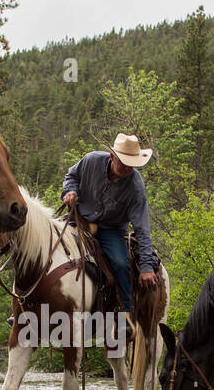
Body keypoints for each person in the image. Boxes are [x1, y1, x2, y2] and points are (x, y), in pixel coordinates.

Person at [60, 134, 158, 314]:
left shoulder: (135, 188)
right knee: (47, 243)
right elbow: (71, 175)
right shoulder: (91, 161)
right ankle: (26, 304)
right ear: (112, 156)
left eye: (132, 164)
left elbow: (142, 228)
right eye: (123, 162)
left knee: (121, 264)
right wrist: (71, 191)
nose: (128, 168)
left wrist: (146, 266)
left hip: (110, 229)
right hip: (79, 219)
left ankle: (124, 314)